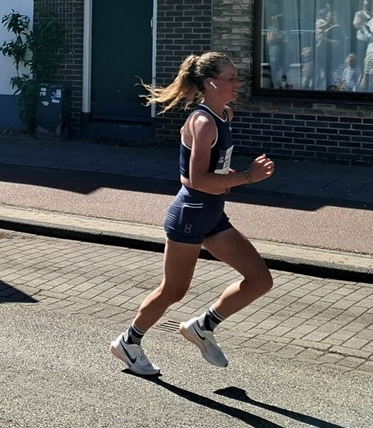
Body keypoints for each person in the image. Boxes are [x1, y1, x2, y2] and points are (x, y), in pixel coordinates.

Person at [109, 52, 275, 376]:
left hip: (213, 216)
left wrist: (230, 179)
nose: (238, 82)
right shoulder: (203, 122)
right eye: (231, 78)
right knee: (173, 290)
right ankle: (128, 342)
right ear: (211, 83)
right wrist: (248, 177)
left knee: (259, 279)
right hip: (190, 215)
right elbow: (195, 179)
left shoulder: (224, 114)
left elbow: (215, 169)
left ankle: (202, 326)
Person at [266, 14, 287, 88]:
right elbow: (269, 40)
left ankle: (283, 85)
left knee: (283, 71)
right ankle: (275, 86)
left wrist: (276, 40)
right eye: (274, 21)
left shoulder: (284, 30)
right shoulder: (271, 29)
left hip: (282, 53)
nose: (276, 23)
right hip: (273, 54)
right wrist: (276, 40)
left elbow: (287, 42)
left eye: (277, 21)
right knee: (274, 71)